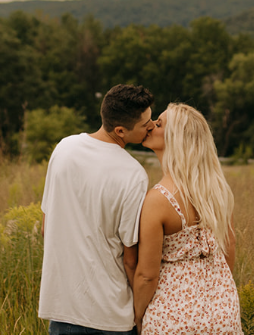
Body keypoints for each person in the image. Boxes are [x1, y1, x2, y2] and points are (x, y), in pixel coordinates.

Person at [39, 84, 156, 335]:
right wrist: (140, 314)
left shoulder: (64, 149)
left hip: (62, 310)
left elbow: (46, 229)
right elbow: (130, 258)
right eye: (145, 124)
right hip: (110, 316)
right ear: (121, 131)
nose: (152, 126)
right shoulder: (133, 174)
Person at [132, 103, 242, 335]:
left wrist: (137, 316)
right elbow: (229, 249)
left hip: (171, 317)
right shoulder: (219, 192)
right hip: (223, 312)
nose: (150, 126)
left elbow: (147, 275)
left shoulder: (158, 200)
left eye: (159, 123)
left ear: (175, 138)